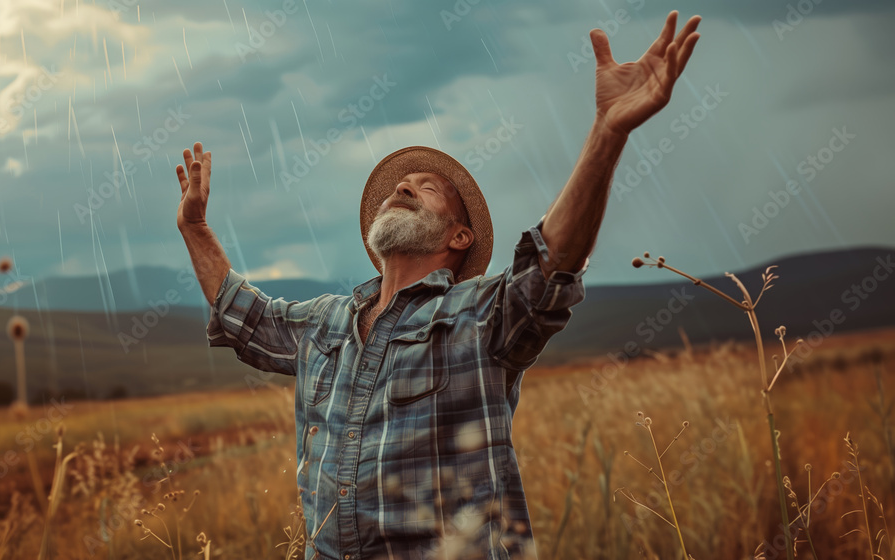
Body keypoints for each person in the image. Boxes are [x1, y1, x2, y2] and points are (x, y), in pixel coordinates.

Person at [175, 11, 700, 559]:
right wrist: (195, 228)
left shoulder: (477, 316)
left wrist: (608, 131)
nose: (404, 184)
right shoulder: (325, 323)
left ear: (459, 236)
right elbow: (245, 317)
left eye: (427, 187)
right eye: (400, 184)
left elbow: (551, 265)